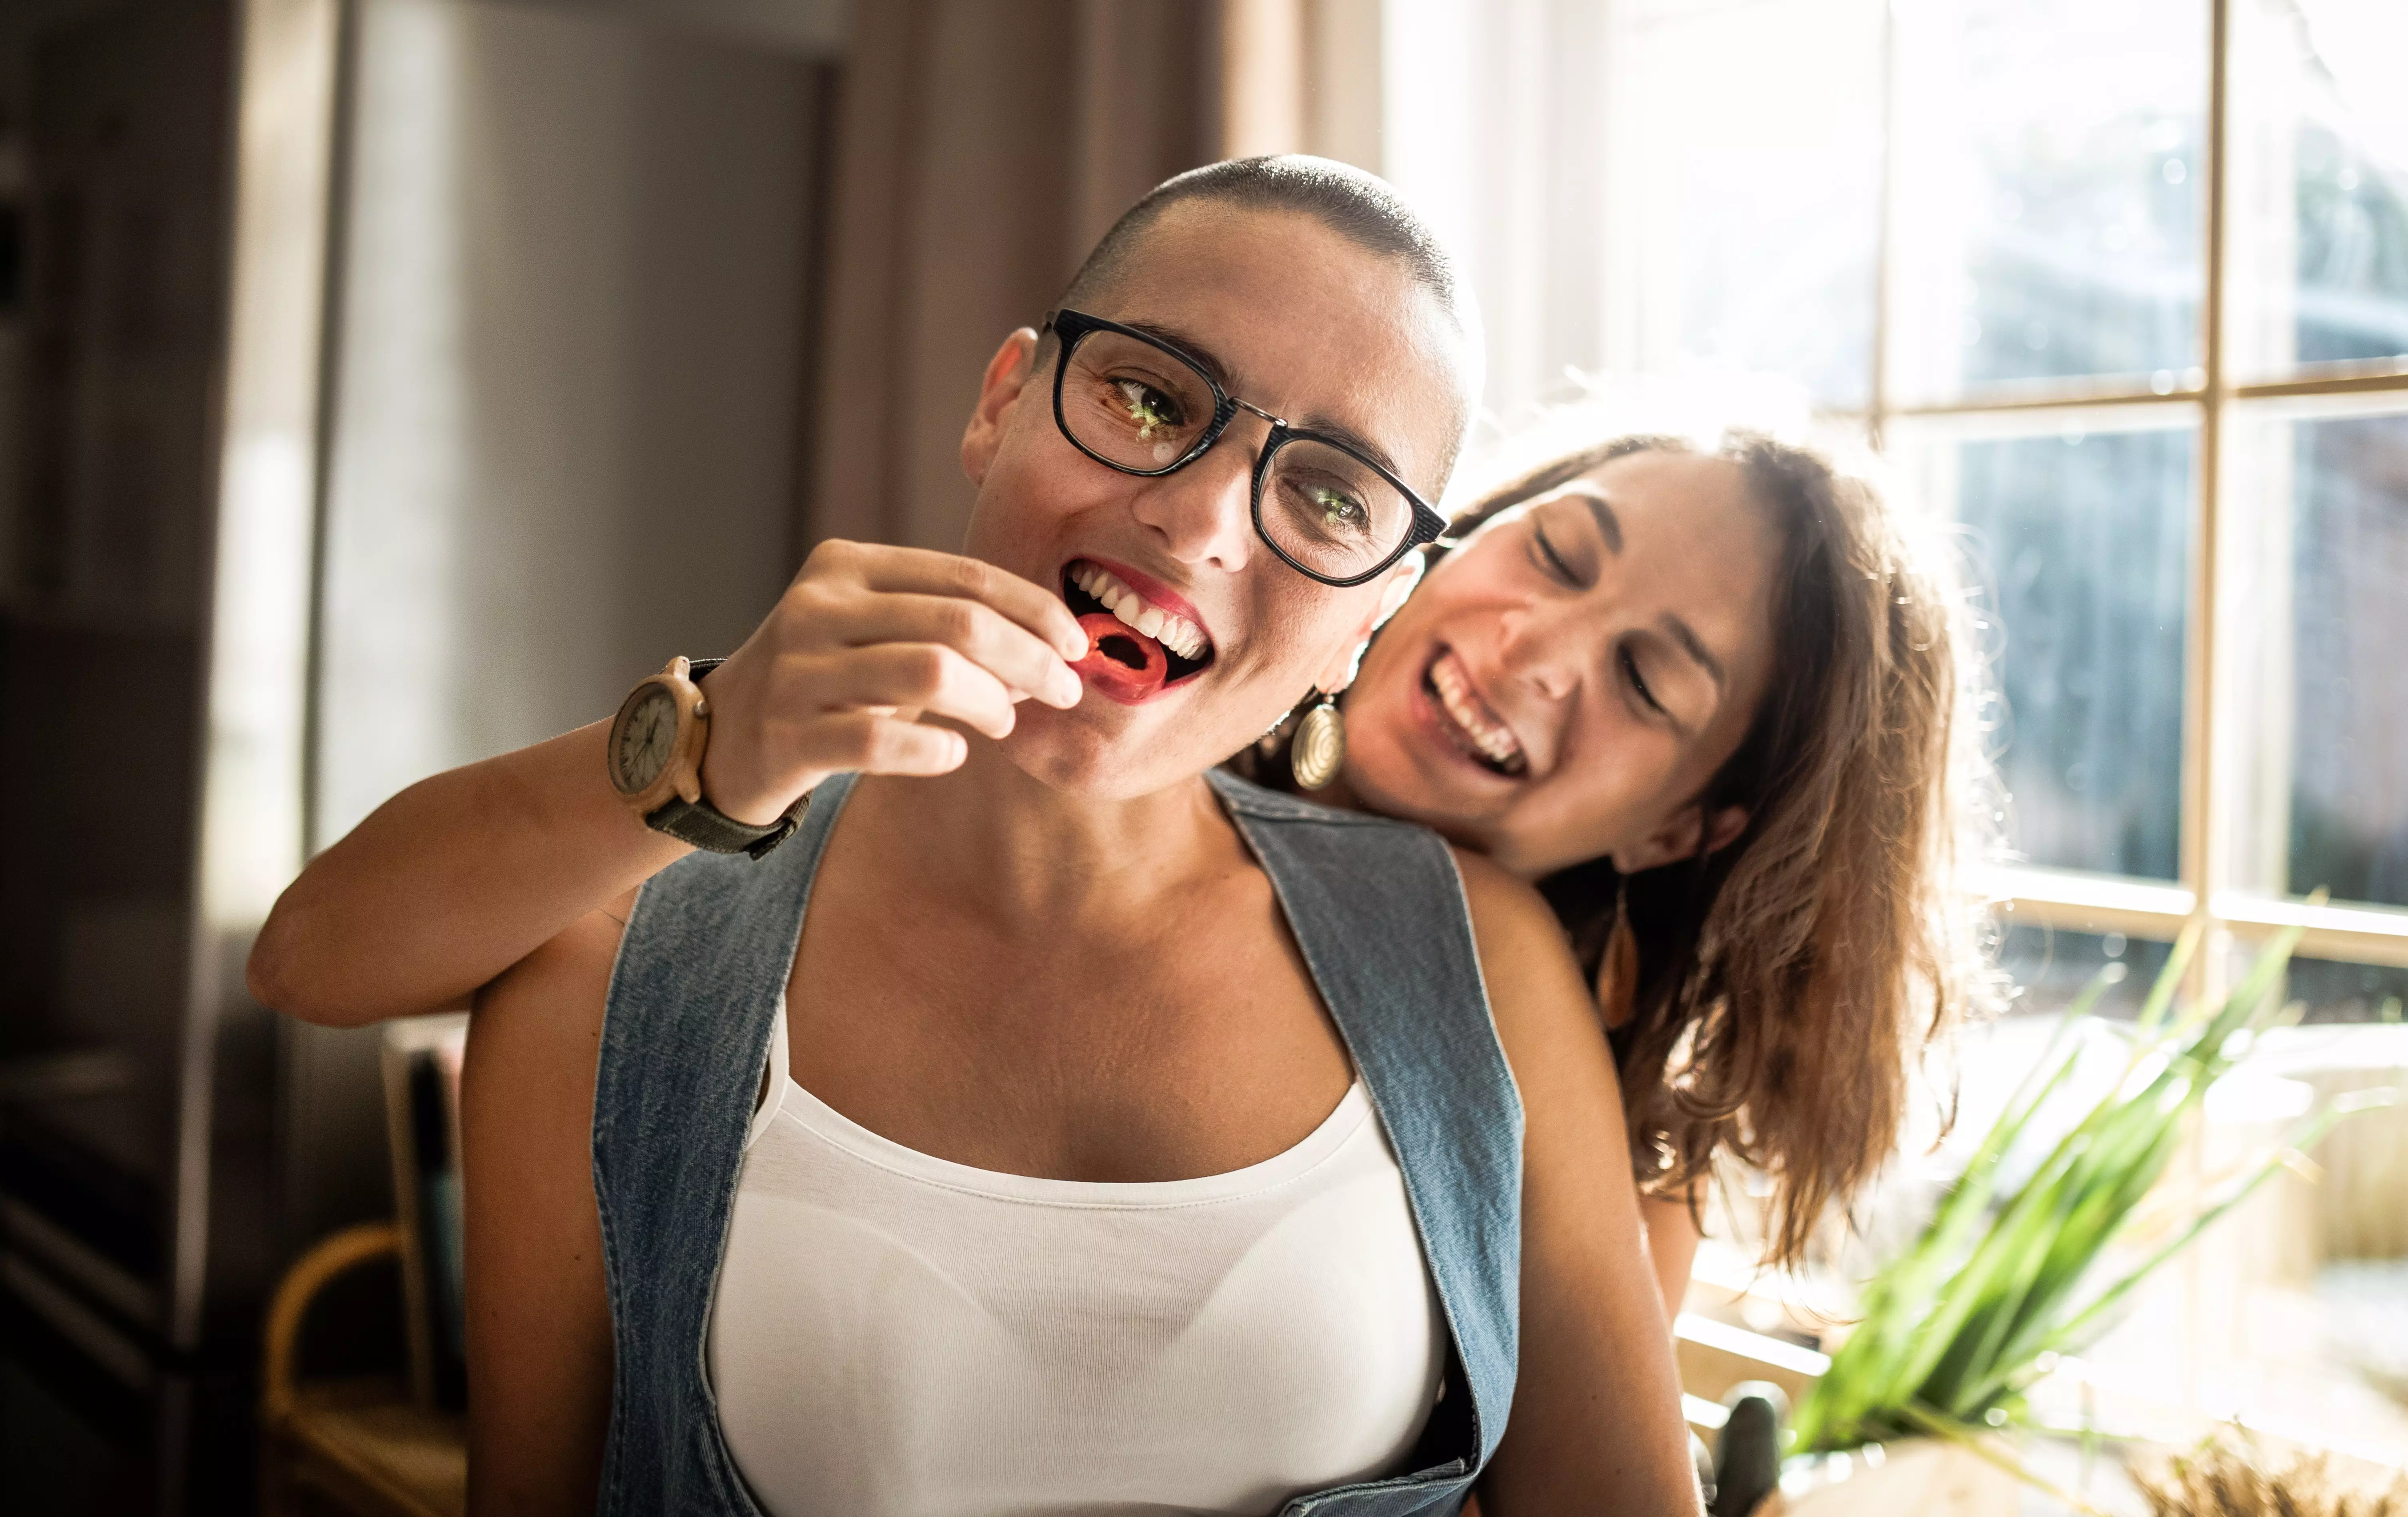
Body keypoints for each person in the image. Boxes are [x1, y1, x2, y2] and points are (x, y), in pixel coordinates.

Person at [252, 157, 1702, 1516]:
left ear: (1372, 611)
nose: (1200, 519)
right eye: (1150, 397)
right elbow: (309, 957)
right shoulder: (627, 945)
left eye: (1329, 494)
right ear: (1004, 400)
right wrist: (716, 737)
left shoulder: (1474, 960)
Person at [1238, 425, 1973, 1317]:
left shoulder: (1619, 1170)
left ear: (1679, 830)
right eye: (1555, 553)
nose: (1532, 652)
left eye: (1644, 679)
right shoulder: (1130, 761)